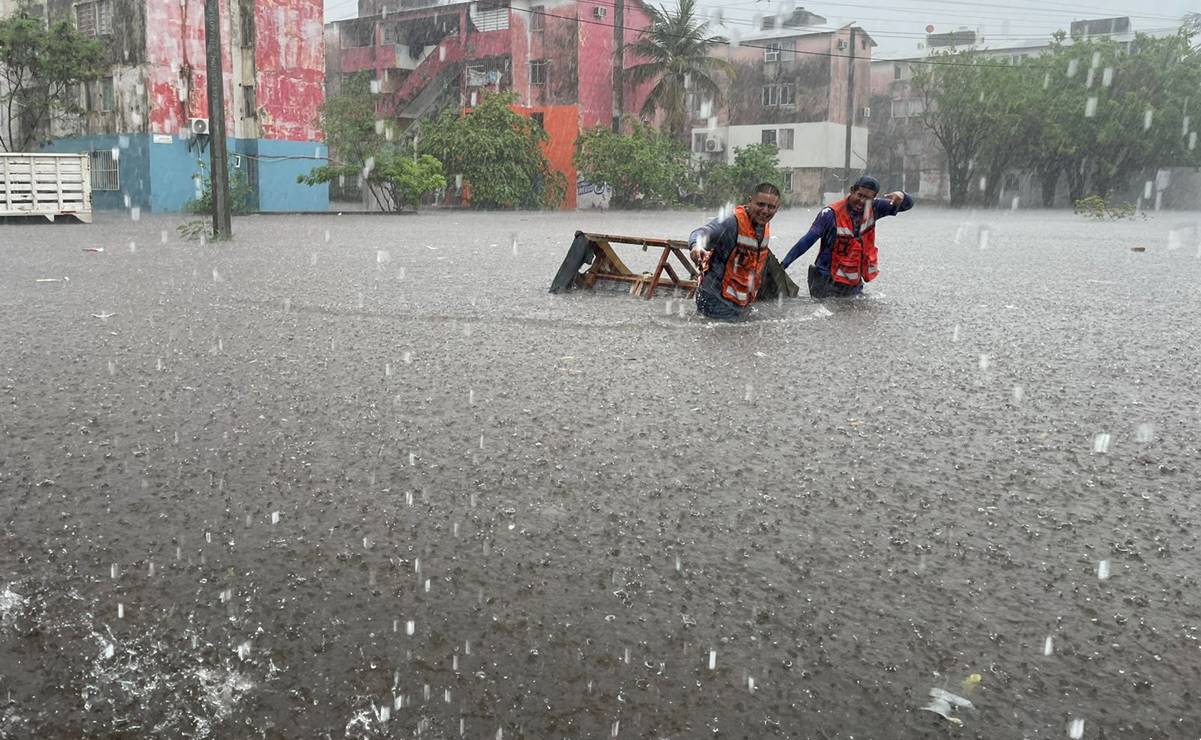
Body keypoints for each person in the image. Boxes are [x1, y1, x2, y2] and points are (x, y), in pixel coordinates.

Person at [781, 175, 913, 299]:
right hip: (825, 280)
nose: (862, 201)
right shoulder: (829, 214)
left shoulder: (875, 208)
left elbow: (908, 205)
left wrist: (902, 195)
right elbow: (806, 241)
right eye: (859, 195)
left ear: (873, 198)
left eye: (867, 198)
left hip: (852, 281)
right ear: (852, 191)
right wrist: (784, 265)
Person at [688, 183, 782, 320]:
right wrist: (696, 246)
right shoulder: (731, 222)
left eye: (771, 207)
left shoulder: (763, 225)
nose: (765, 211)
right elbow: (702, 232)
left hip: (741, 303)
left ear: (777, 208)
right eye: (760, 204)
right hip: (716, 300)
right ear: (750, 201)